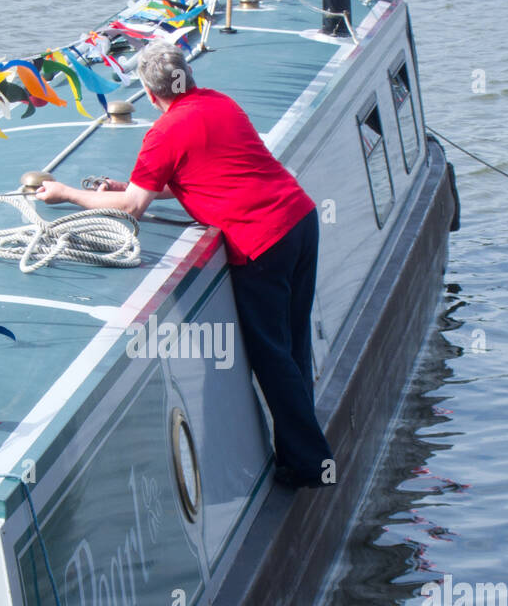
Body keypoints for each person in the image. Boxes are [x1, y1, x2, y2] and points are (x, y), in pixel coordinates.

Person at [35, 42, 333, 488]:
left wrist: (67, 194)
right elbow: (211, 170)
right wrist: (147, 183)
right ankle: (299, 455)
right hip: (300, 220)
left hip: (261, 241)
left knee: (271, 358)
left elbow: (132, 207)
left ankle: (312, 466)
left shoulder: (163, 132)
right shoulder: (220, 103)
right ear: (187, 76)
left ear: (150, 96)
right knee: (293, 345)